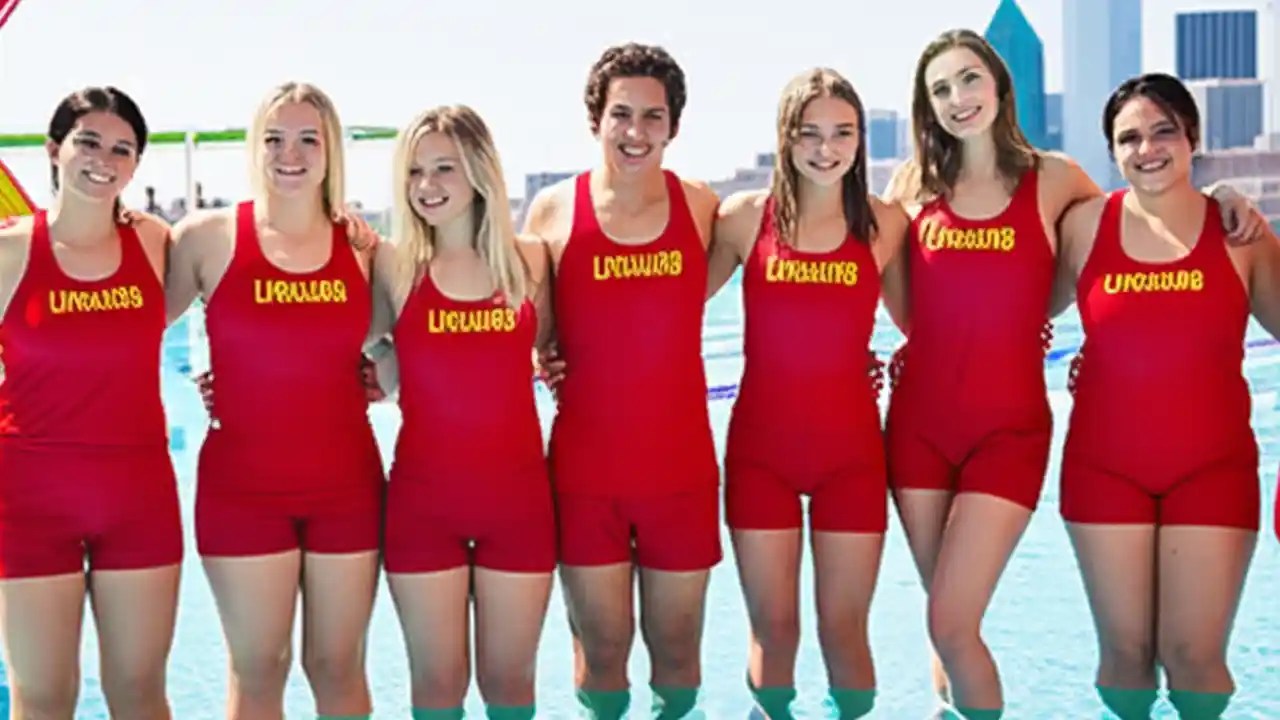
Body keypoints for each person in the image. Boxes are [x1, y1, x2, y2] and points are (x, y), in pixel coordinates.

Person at [882, 29, 1267, 720]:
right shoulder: (923, 187)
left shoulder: (1064, 182)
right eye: (940, 89)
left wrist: (1231, 193)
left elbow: (1124, 230)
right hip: (974, 437)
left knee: (1188, 658)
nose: (957, 99)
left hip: (1093, 443)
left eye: (969, 80)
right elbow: (922, 296)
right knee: (952, 616)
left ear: (1000, 85)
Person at [1052, 72, 1280, 720]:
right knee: (1124, 658)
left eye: (1163, 131)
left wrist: (1231, 196)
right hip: (1103, 469)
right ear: (1112, 152)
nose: (1147, 148)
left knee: (1194, 660)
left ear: (1192, 138)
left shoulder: (1239, 234)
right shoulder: (1083, 226)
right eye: (1129, 138)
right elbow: (1006, 307)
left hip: (1212, 470)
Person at [166, 81, 383, 720]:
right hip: (243, 492)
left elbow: (411, 344)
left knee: (337, 666)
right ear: (253, 148)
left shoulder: (363, 248)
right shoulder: (206, 238)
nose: (290, 153)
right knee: (258, 669)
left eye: (308, 139)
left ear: (330, 150)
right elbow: (126, 328)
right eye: (274, 138)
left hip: (346, 489)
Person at [521, 42, 722, 720]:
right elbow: (532, 330)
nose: (636, 133)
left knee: (677, 652)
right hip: (586, 474)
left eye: (653, 118)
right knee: (601, 650)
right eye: (621, 115)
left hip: (681, 470)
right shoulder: (552, 212)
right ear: (596, 119)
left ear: (673, 126)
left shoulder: (700, 209)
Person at [705, 67, 907, 719]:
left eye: (842, 133)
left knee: (844, 632)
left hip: (850, 457)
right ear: (785, 139)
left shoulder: (883, 224)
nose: (827, 149)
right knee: (776, 633)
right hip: (760, 455)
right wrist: (561, 350)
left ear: (860, 140)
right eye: (810, 133)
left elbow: (931, 322)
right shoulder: (742, 220)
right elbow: (665, 307)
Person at [364, 104, 556, 720]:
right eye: (416, 171)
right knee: (438, 687)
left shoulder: (529, 263)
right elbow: (352, 350)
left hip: (518, 502)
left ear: (479, 171)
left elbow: (560, 351)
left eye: (444, 168)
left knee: (509, 685)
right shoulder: (395, 267)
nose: (427, 186)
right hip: (425, 505)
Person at [0, 86, 181, 718]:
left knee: (139, 694)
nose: (104, 158)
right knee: (44, 698)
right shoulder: (8, 251)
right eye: (88, 142)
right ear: (54, 150)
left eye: (122, 148)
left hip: (138, 498)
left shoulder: (156, 244)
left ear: (135, 165)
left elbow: (232, 294)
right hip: (30, 501)